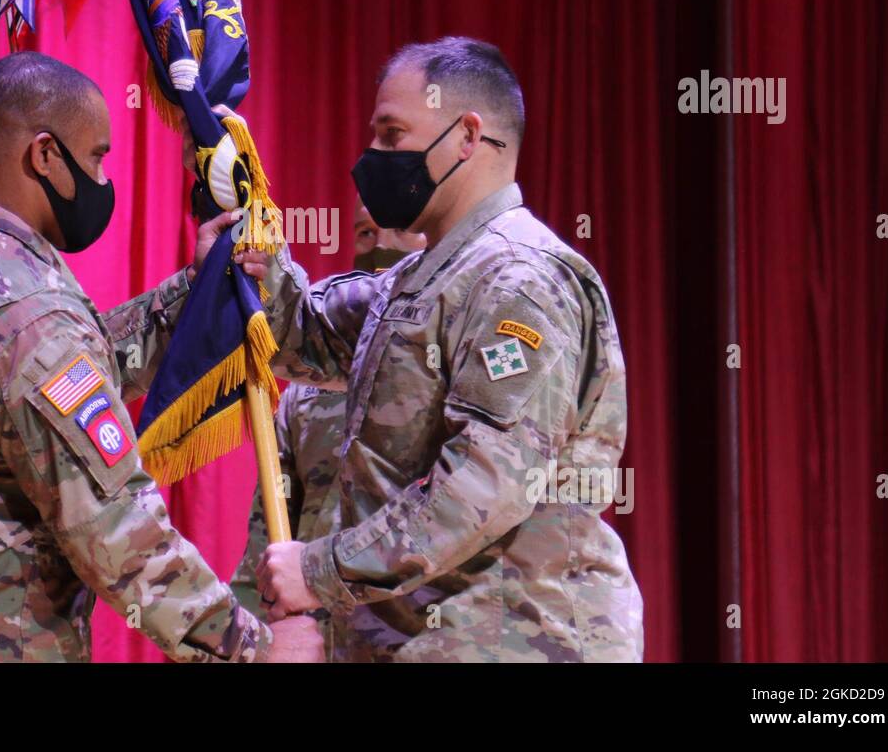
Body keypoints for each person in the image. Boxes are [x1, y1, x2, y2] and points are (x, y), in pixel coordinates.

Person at [0, 51, 320, 663]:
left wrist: (193, 290)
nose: (103, 179)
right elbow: (115, 531)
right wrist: (256, 649)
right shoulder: (29, 311)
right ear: (46, 155)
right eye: (98, 156)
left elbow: (25, 385)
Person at [256, 36, 644, 662]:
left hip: (512, 643)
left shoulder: (520, 281)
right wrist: (253, 258)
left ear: (467, 137)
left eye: (392, 134)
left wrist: (322, 568)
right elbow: (299, 338)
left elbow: (481, 485)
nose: (372, 157)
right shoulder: (424, 276)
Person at [229, 203, 424, 658]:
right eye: (364, 234)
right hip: (325, 642)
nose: (378, 245)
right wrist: (252, 645)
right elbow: (268, 538)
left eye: (396, 228)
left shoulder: (447, 368)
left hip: (426, 635)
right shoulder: (305, 393)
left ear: (430, 240)